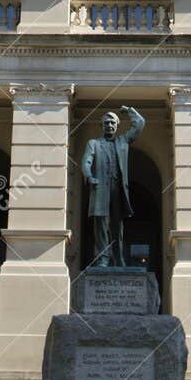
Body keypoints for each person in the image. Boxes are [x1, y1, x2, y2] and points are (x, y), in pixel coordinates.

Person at [81, 104, 145, 267]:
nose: (109, 125)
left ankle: (118, 258)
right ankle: (102, 259)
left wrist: (130, 111)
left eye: (112, 123)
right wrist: (89, 176)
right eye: (106, 123)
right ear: (101, 126)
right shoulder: (93, 143)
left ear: (117, 125)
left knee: (117, 227)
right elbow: (86, 162)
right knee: (100, 226)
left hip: (117, 190)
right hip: (100, 188)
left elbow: (140, 123)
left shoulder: (123, 140)